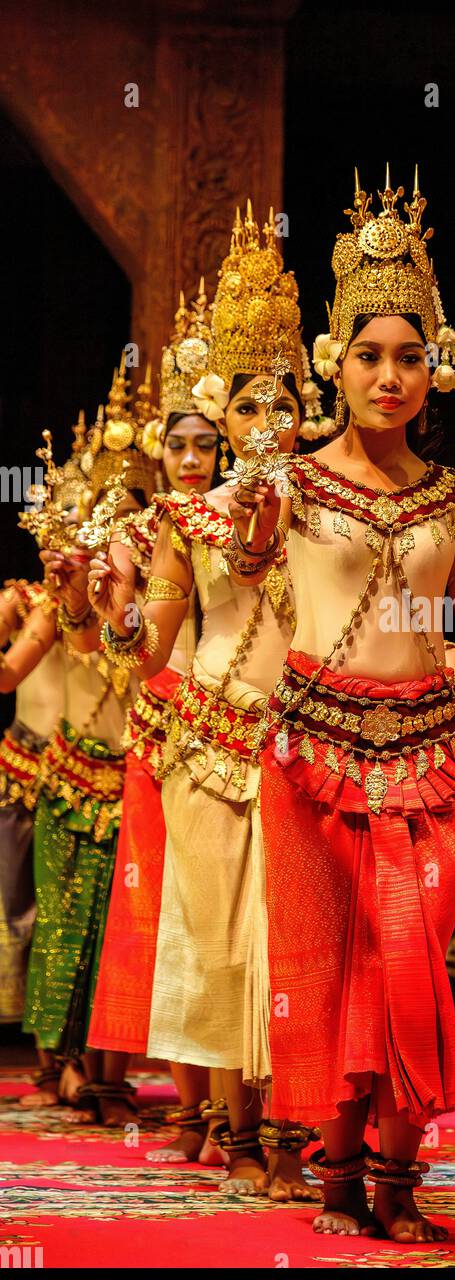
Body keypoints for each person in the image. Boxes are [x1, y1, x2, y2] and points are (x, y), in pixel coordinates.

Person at [230, 170, 455, 1240]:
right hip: (313, 751)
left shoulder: (451, 497)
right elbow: (255, 567)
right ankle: (338, 1174)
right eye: (367, 355)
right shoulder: (292, 482)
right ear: (329, 364)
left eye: (409, 355)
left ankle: (400, 1182)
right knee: (330, 966)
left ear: (432, 366)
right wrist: (253, 519)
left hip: (431, 753)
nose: (388, 376)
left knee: (408, 964)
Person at [88, 203, 325, 1198]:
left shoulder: (336, 500)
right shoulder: (186, 516)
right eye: (246, 408)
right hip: (209, 742)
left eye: (281, 404)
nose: (264, 424)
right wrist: (113, 617)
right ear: (220, 419)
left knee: (289, 939)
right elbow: (154, 648)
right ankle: (235, 1128)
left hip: (310, 737)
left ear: (305, 409)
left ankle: (296, 1133)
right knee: (220, 944)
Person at [86, 283, 223, 1142]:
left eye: (207, 444)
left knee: (223, 916)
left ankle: (241, 1111)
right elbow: (111, 643)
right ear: (158, 452)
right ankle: (192, 1107)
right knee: (165, 911)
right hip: (162, 724)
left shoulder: (244, 523)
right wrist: (100, 606)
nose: (191, 458)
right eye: (177, 445)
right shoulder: (140, 535)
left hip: (231, 719)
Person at [21, 368, 161, 1118]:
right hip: (72, 782)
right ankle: (63, 1065)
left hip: (134, 778)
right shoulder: (63, 598)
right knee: (66, 925)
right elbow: (21, 667)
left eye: (130, 520)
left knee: (120, 936)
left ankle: (105, 1071)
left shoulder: (158, 601)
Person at [0, 577, 64, 1030]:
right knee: (20, 909)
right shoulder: (25, 600)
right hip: (24, 769)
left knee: (70, 916)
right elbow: (8, 678)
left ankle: (75, 1059)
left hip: (92, 772)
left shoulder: (118, 594)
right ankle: (45, 1058)